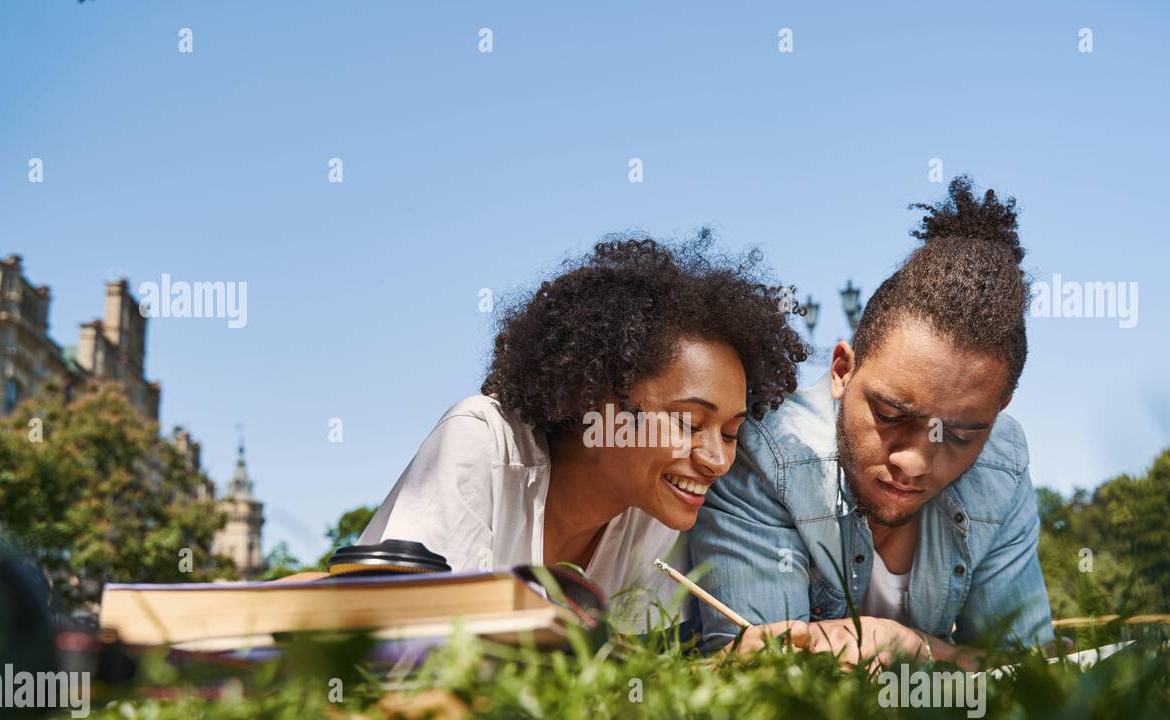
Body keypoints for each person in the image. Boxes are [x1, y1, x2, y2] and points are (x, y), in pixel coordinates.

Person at [357, 230, 808, 632]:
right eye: (688, 423)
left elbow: (618, 682)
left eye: (730, 433)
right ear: (595, 400)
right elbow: (398, 641)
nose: (716, 459)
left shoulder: (651, 513)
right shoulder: (481, 442)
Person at [687, 177, 1054, 669]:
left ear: (1000, 408)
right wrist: (953, 659)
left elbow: (1028, 670)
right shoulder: (767, 451)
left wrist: (914, 647)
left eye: (962, 434)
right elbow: (765, 676)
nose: (914, 462)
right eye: (890, 415)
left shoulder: (1003, 462)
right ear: (842, 370)